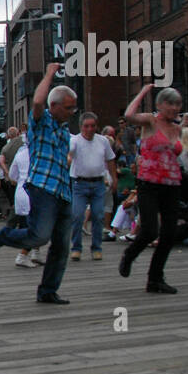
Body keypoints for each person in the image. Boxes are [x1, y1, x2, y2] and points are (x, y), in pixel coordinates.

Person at [0, 63, 77, 304]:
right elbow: (37, 102)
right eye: (67, 108)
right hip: (43, 188)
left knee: (61, 246)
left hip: (63, 191)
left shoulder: (65, 131)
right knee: (39, 236)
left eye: (73, 108)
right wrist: (49, 74)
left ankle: (47, 291)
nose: (71, 112)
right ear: (53, 106)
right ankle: (3, 236)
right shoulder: (41, 121)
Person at [118, 84, 184, 293]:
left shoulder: (177, 127)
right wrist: (144, 92)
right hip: (148, 183)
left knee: (169, 233)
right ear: (160, 105)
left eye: (178, 104)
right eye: (170, 103)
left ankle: (155, 279)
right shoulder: (150, 121)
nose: (174, 108)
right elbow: (129, 115)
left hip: (171, 183)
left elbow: (175, 153)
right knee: (149, 230)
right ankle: (129, 255)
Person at [68, 111, 117, 262]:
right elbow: (69, 154)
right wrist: (68, 159)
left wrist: (114, 178)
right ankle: (76, 247)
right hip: (79, 182)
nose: (89, 129)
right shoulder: (75, 140)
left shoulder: (103, 141)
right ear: (81, 127)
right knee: (77, 215)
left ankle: (96, 247)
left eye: (93, 126)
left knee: (98, 215)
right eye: (86, 126)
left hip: (98, 182)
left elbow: (110, 160)